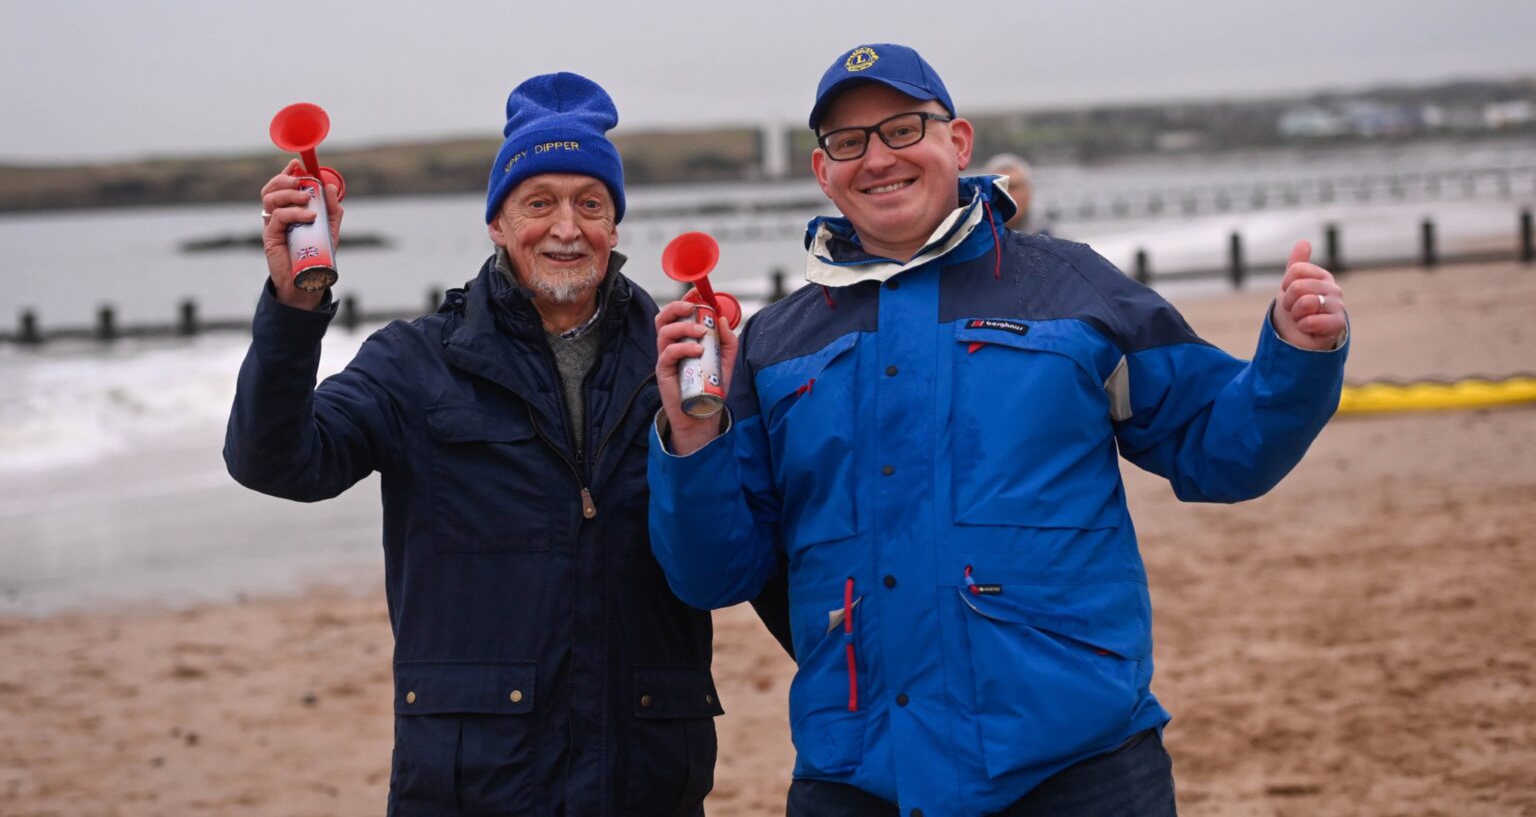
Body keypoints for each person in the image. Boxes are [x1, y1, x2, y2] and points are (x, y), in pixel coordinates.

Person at [648, 43, 1348, 817]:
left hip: (1079, 768)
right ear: (822, 172)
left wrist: (1295, 354)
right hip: (856, 779)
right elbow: (714, 575)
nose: (877, 157)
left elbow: (1224, 451)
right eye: (848, 142)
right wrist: (690, 439)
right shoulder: (776, 344)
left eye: (903, 128)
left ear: (958, 141)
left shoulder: (1075, 288)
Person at [226, 73, 722, 817]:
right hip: (473, 782)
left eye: (591, 204)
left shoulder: (681, 368)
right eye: (538, 203)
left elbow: (732, 551)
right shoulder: (414, 362)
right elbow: (278, 462)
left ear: (615, 227)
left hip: (645, 777)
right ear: (496, 222)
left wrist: (704, 433)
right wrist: (295, 305)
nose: (566, 227)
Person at [981, 151, 1041, 233]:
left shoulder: (1051, 238)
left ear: (1028, 192)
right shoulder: (972, 238)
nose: (1006, 195)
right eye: (999, 189)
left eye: (1013, 188)